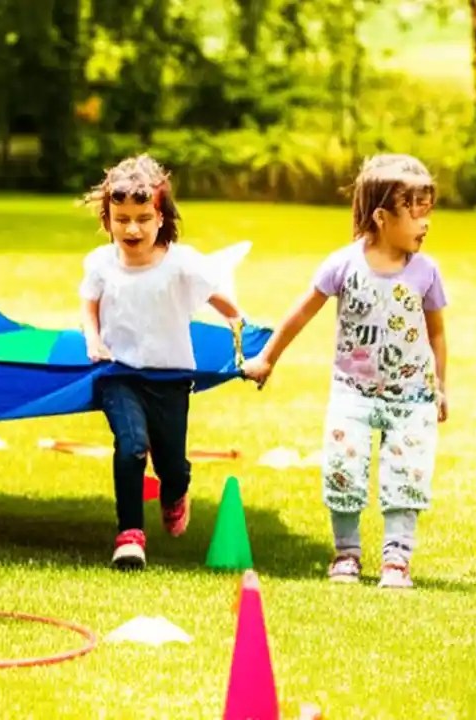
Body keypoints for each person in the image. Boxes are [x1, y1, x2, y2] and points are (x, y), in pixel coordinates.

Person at [242, 154, 449, 589]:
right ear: (381, 216)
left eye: (428, 210)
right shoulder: (343, 264)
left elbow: (437, 335)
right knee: (343, 468)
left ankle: (397, 559)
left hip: (411, 395)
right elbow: (301, 313)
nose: (426, 223)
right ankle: (347, 554)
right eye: (415, 211)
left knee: (407, 473)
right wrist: (268, 358)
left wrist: (441, 388)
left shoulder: (426, 272)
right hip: (352, 392)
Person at [79, 154, 244, 570]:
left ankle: (175, 493)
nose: (132, 228)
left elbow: (214, 295)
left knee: (171, 463)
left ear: (160, 218)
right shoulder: (101, 263)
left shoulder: (180, 263)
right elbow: (90, 303)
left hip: (170, 377)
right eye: (122, 219)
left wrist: (239, 319)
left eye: (142, 218)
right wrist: (94, 339)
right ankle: (130, 536)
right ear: (108, 219)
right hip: (119, 373)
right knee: (132, 448)